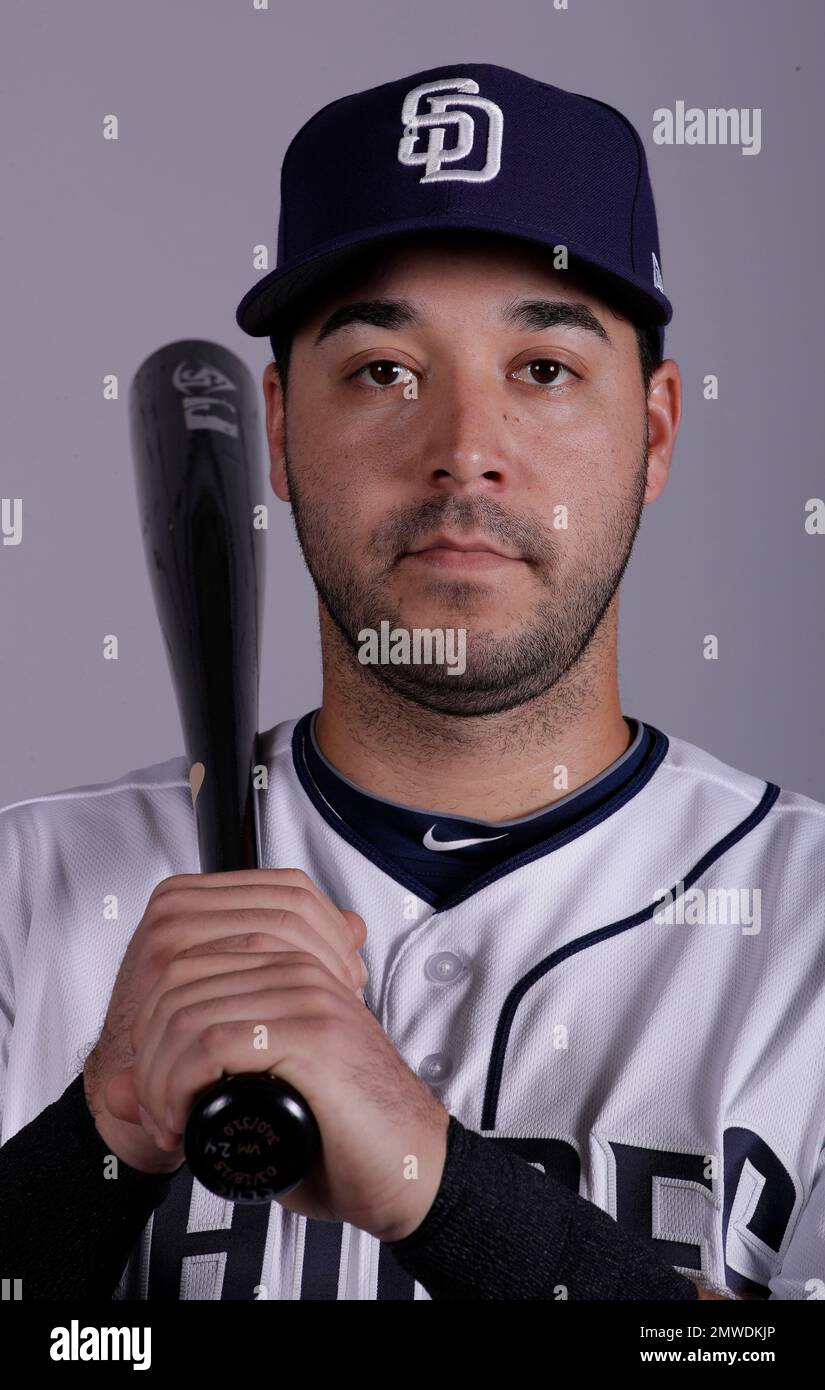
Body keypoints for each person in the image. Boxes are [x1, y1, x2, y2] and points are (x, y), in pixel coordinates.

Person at [2, 62, 823, 1302]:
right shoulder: (28, 901)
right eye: (384, 369)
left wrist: (447, 1187)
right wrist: (95, 1140)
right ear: (275, 432)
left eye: (543, 370)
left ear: (653, 431)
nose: (464, 454)